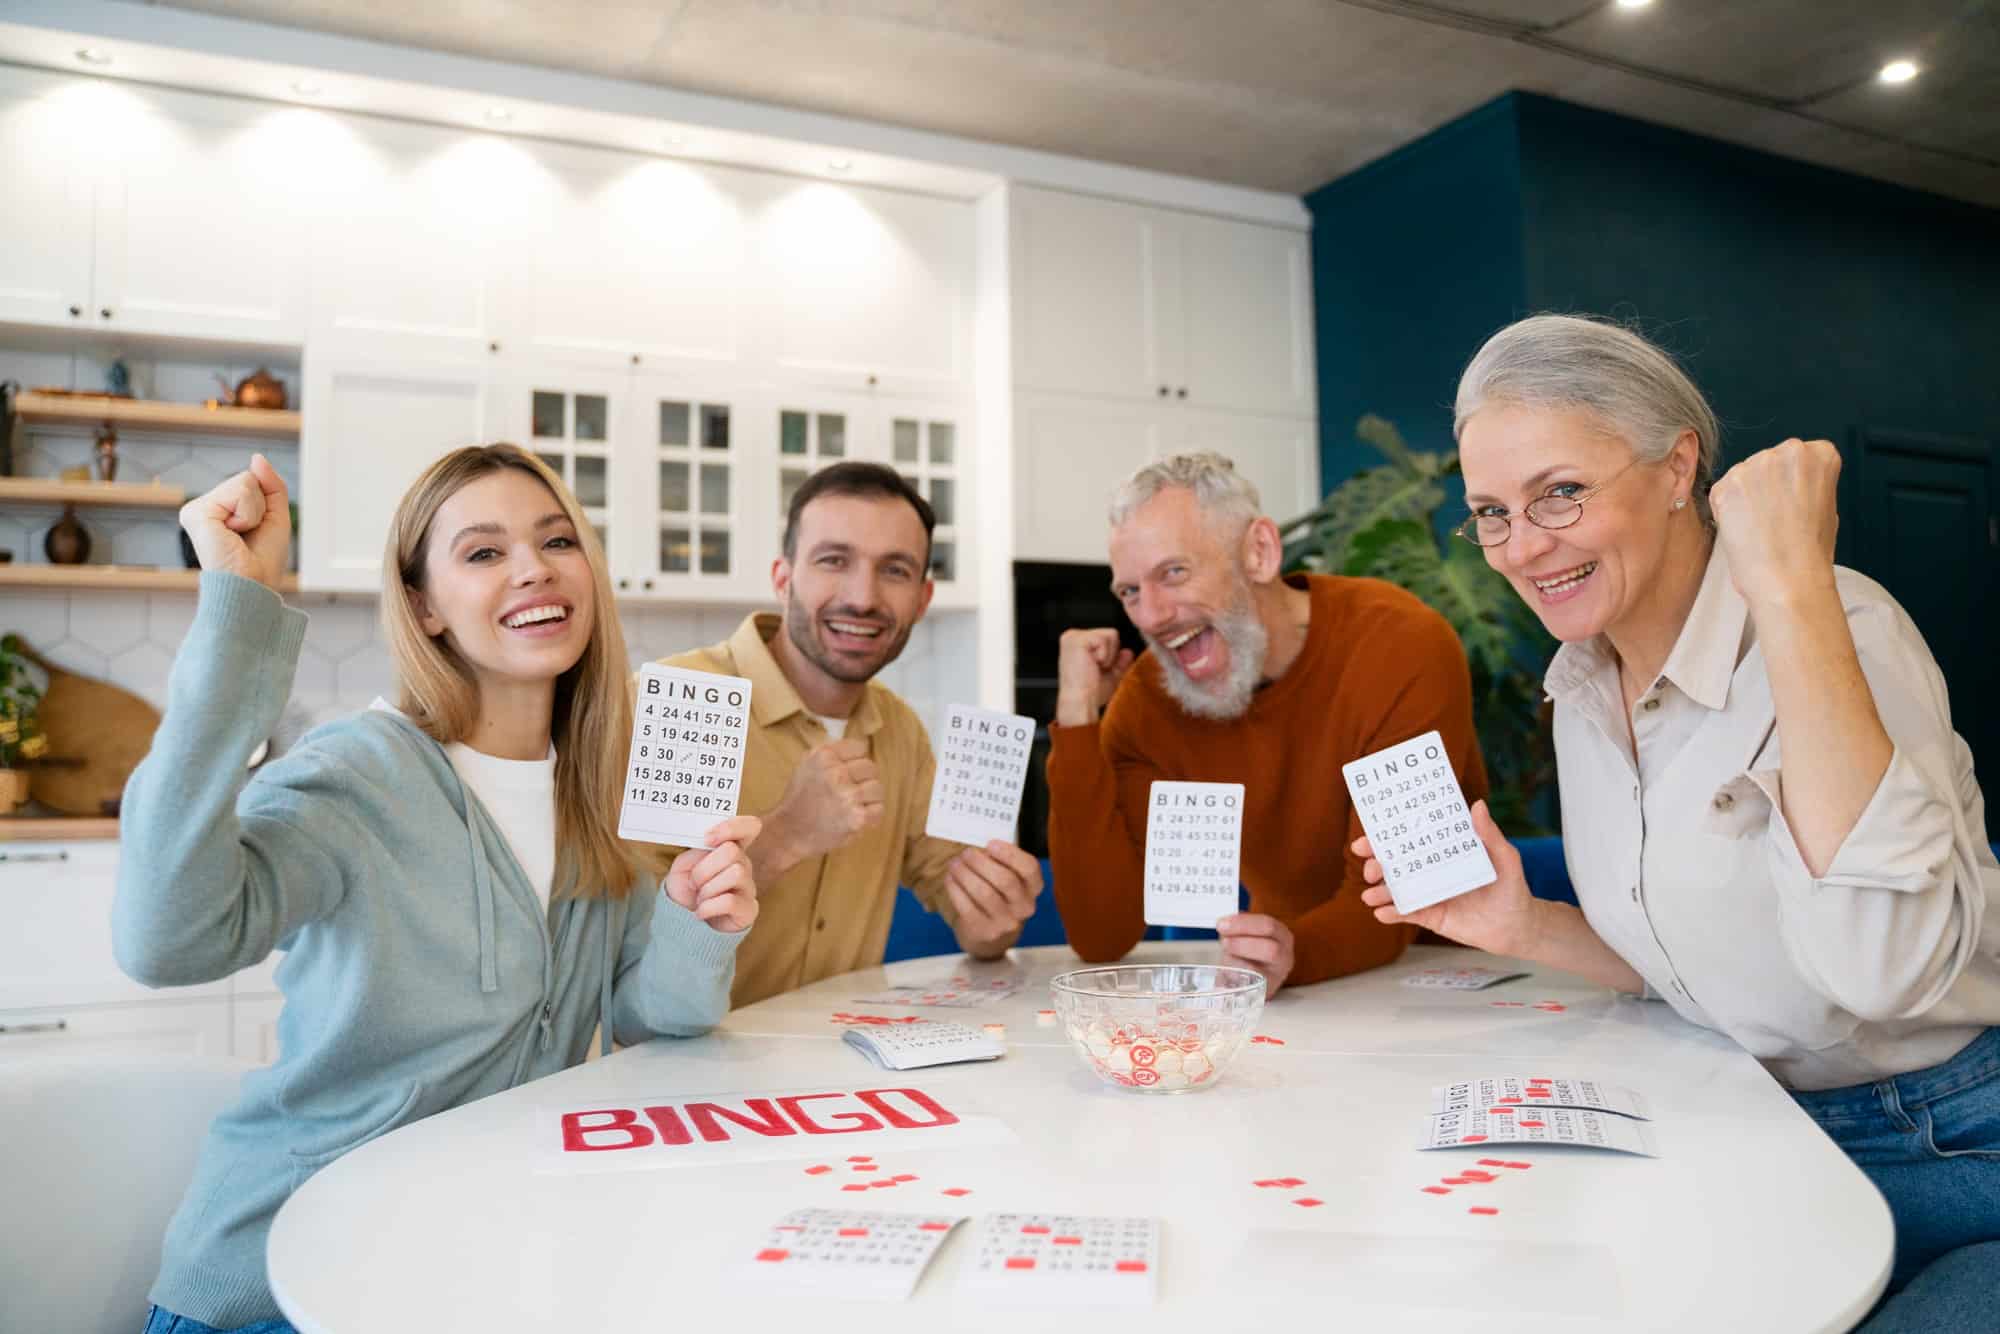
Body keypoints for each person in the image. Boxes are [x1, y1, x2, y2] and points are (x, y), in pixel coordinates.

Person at [1358, 314, 2000, 1310]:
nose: (1521, 547)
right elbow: (1698, 968)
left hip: (1947, 1144)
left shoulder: (1840, 626)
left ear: (1675, 468)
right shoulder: (1580, 681)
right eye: (1489, 512)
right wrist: (1517, 921)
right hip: (1759, 1125)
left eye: (1558, 493)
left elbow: (1878, 973)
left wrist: (1788, 590)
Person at [115, 446, 760, 1334]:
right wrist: (238, 614)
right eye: (484, 552)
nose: (535, 568)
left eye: (557, 540)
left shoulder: (595, 792)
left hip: (469, 1275)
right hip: (284, 1291)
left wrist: (694, 919)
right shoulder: (354, 778)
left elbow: (657, 1017)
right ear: (424, 605)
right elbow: (166, 939)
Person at [1046, 451, 1487, 994]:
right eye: (1130, 592)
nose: (1151, 618)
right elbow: (1100, 935)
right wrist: (1075, 716)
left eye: (1174, 573)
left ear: (1258, 552)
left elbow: (1404, 899)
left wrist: (1290, 956)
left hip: (1444, 987)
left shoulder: (1400, 645)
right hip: (1281, 992)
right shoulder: (1148, 699)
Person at [657, 461, 1042, 1008]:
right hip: (667, 1073)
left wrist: (995, 916)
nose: (863, 597)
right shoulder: (682, 696)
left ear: (923, 598)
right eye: (834, 560)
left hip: (837, 1065)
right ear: (783, 578)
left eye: (895, 570)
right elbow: (619, 937)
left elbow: (973, 920)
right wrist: (787, 833)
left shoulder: (901, 732)